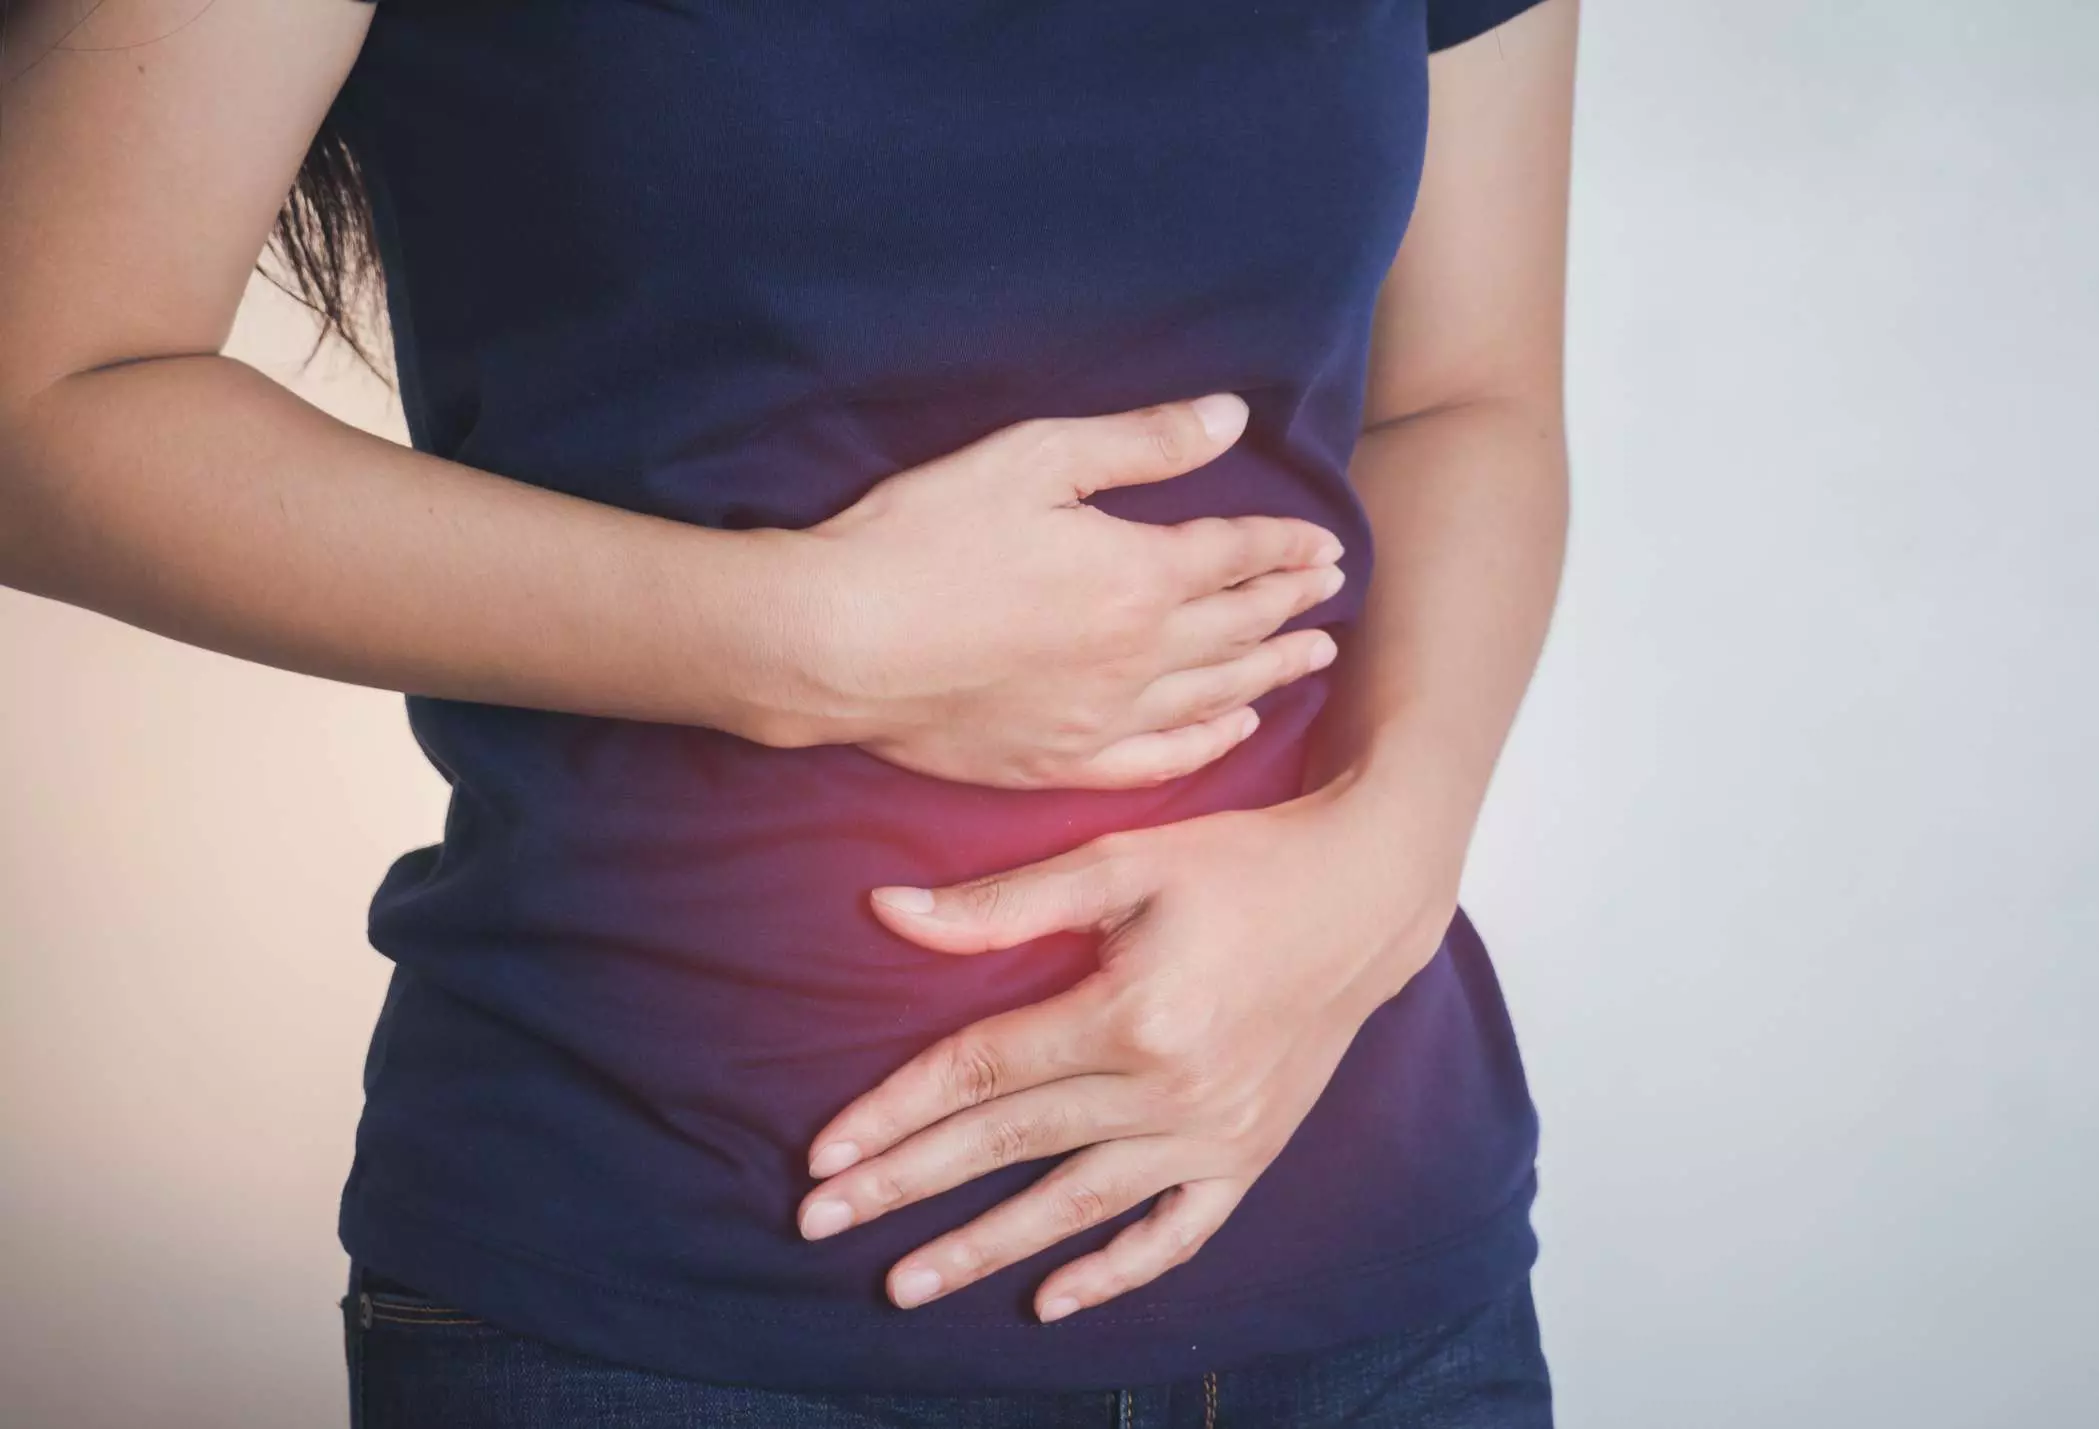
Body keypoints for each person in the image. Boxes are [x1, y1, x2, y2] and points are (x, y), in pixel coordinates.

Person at [0, 0, 1579, 1422]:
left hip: (1364, 1261)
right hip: (661, 1278)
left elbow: (1467, 397)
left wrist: (1385, 857)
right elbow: (43, 405)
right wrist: (810, 639)